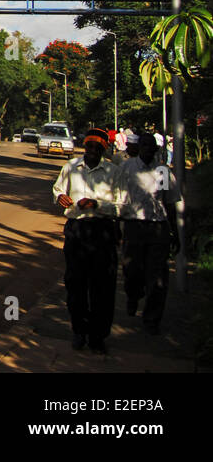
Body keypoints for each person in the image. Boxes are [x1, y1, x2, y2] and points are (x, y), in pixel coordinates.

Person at [53, 132, 125, 353]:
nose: (92, 152)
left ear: (103, 151)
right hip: (77, 231)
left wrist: (97, 205)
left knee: (102, 287)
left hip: (102, 231)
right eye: (89, 148)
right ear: (84, 148)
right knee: (75, 284)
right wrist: (59, 198)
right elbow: (57, 189)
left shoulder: (114, 172)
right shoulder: (71, 167)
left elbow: (123, 206)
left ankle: (98, 335)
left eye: (97, 149)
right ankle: (79, 331)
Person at [119, 132, 180, 335]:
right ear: (138, 147)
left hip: (157, 228)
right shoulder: (127, 168)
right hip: (133, 226)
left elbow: (170, 203)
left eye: (150, 145)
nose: (146, 148)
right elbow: (117, 198)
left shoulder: (162, 171)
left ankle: (152, 320)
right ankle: (133, 295)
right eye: (143, 144)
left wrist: (175, 232)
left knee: (157, 279)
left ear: (155, 149)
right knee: (131, 271)